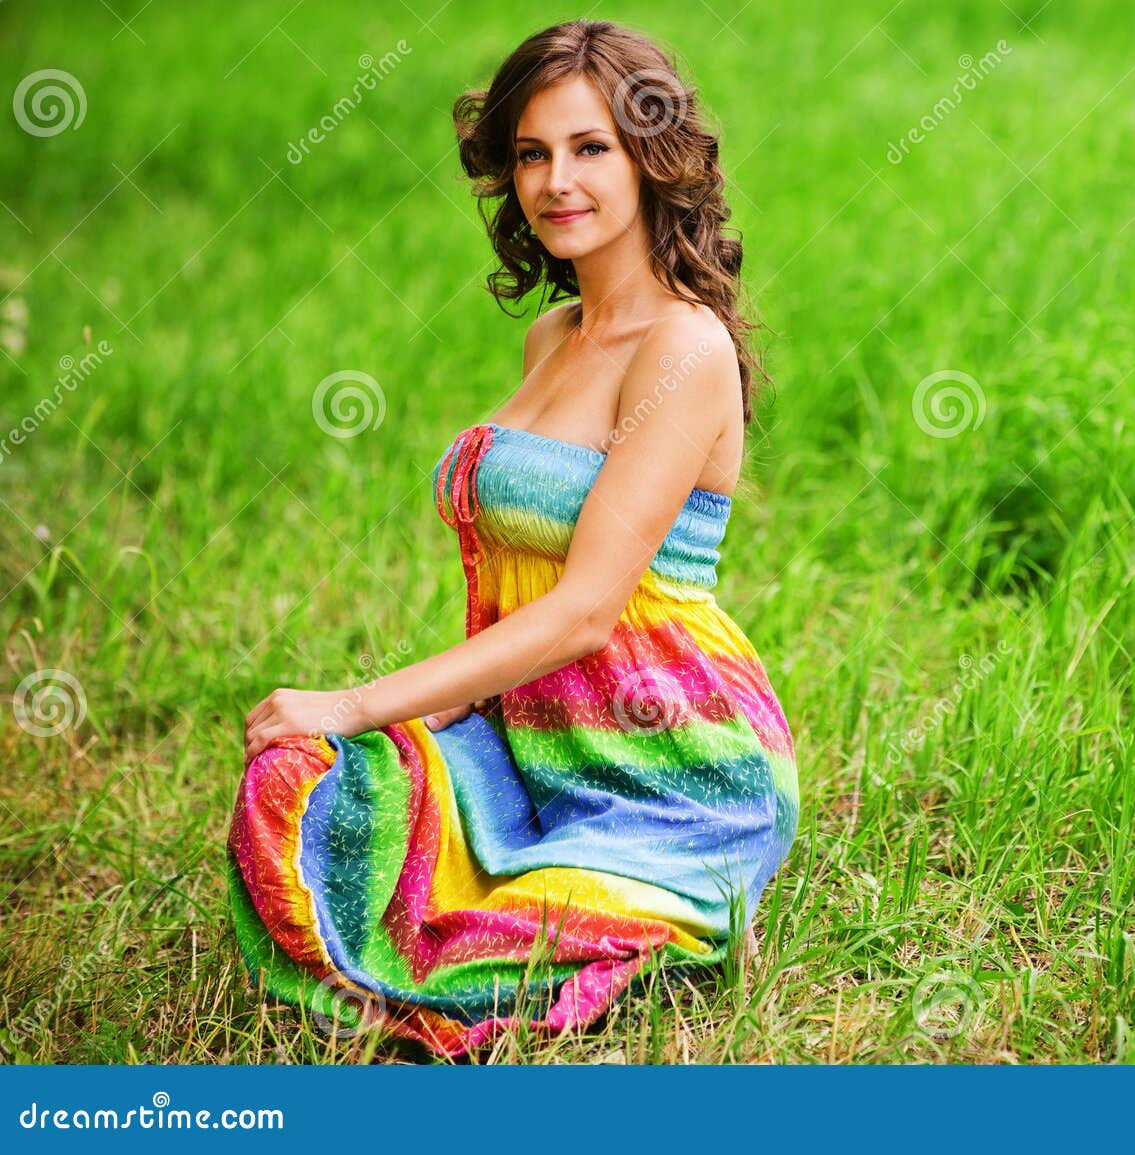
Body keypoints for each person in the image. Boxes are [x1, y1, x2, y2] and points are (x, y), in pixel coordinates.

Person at [228, 18, 799, 1059]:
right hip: (525, 741)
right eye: (532, 154)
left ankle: (676, 902)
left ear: (649, 159)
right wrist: (393, 723)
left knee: (497, 952)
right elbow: (512, 592)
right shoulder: (555, 333)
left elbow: (584, 613)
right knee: (295, 778)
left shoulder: (683, 347)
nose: (554, 182)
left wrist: (359, 699)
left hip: (667, 760)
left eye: (589, 149)